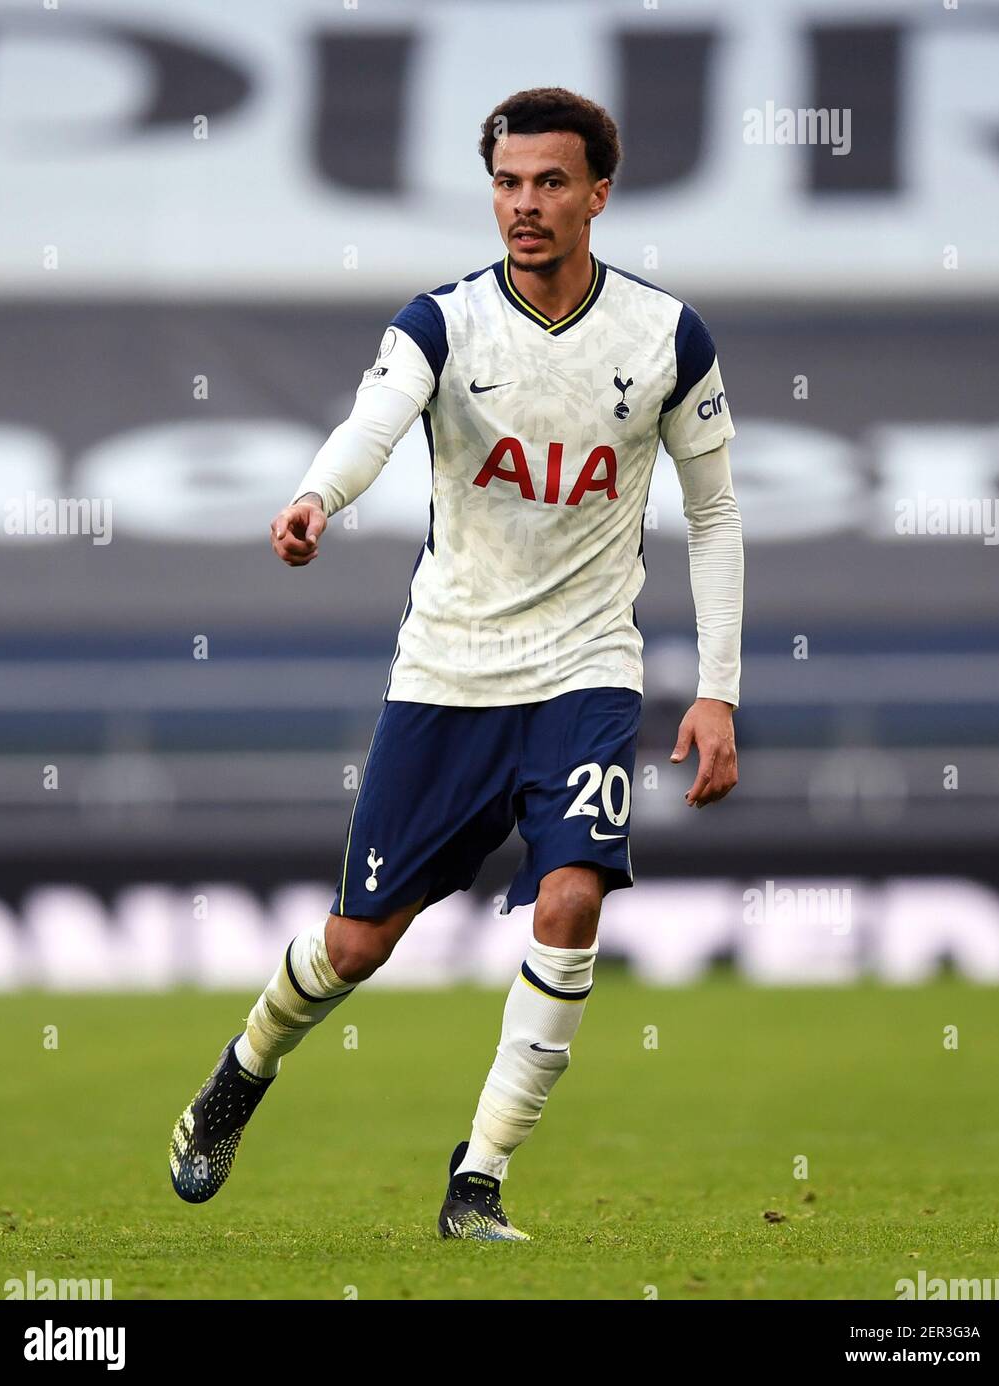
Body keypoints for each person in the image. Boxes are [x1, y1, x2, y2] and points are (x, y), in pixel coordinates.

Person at [169, 86, 743, 1241]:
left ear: (599, 194)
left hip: (587, 667)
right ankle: (244, 1066)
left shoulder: (668, 336)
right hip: (449, 673)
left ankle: (476, 1179)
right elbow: (372, 422)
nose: (524, 206)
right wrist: (315, 498)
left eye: (548, 183)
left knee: (573, 893)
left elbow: (716, 512)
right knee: (358, 941)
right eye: (507, 182)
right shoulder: (441, 322)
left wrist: (719, 687)